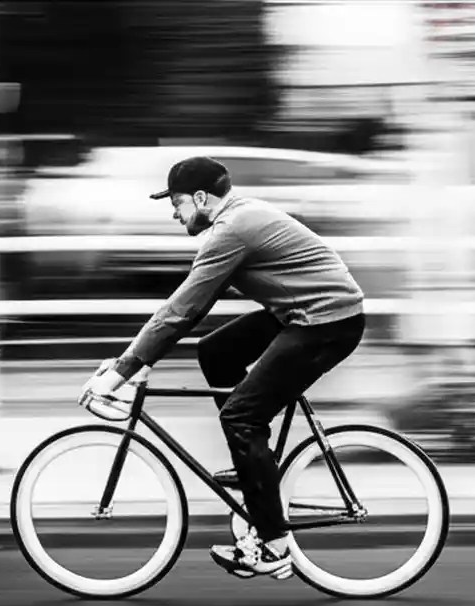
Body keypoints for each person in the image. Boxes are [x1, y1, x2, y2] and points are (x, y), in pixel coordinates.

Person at [79, 156, 367, 580]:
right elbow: (196, 303)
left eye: (176, 204)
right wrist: (142, 356)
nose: (175, 215)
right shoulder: (238, 217)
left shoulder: (232, 229)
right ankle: (253, 459)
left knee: (240, 415)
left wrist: (124, 368)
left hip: (327, 323)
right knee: (216, 352)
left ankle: (272, 546)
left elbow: (185, 308)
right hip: (304, 313)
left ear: (200, 197)